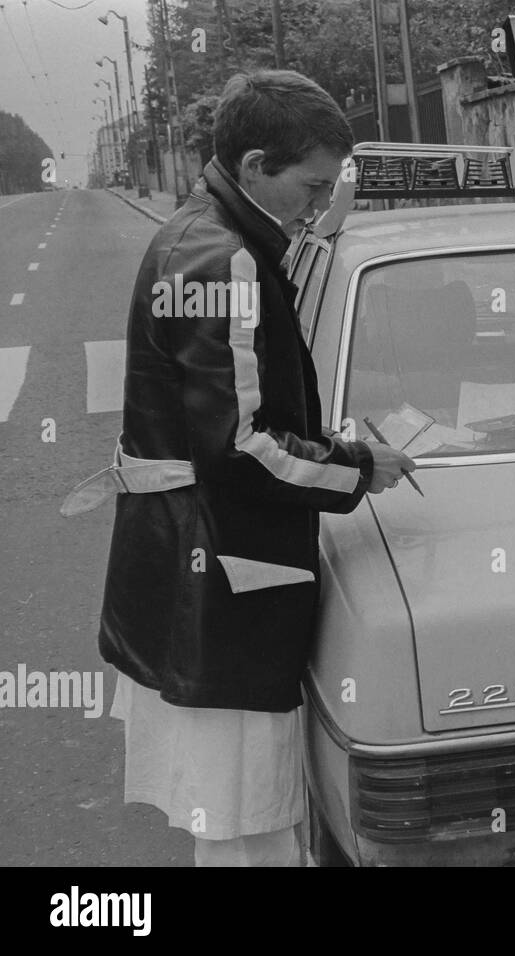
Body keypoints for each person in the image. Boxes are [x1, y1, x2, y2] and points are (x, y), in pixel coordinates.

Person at [63, 70, 414, 866]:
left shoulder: (205, 233)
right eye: (311, 186)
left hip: (196, 565)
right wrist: (361, 464)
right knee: (247, 822)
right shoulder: (228, 260)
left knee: (246, 820)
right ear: (256, 165)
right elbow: (242, 448)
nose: (320, 206)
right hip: (221, 576)